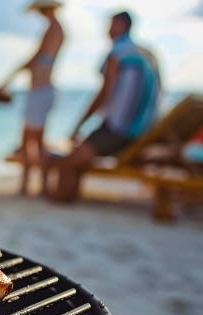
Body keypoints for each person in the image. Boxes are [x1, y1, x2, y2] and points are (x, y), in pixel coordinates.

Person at [48, 11, 160, 202]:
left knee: (68, 163)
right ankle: (65, 197)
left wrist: (78, 125)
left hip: (118, 130)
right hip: (143, 131)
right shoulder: (145, 54)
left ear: (122, 25)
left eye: (111, 24)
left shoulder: (118, 54)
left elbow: (104, 94)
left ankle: (61, 200)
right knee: (78, 155)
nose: (107, 29)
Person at [0, 0, 64, 196]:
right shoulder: (54, 29)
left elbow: (36, 58)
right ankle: (28, 185)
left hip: (40, 92)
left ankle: (38, 187)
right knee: (29, 140)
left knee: (35, 141)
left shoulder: (54, 29)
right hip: (40, 91)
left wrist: (8, 79)